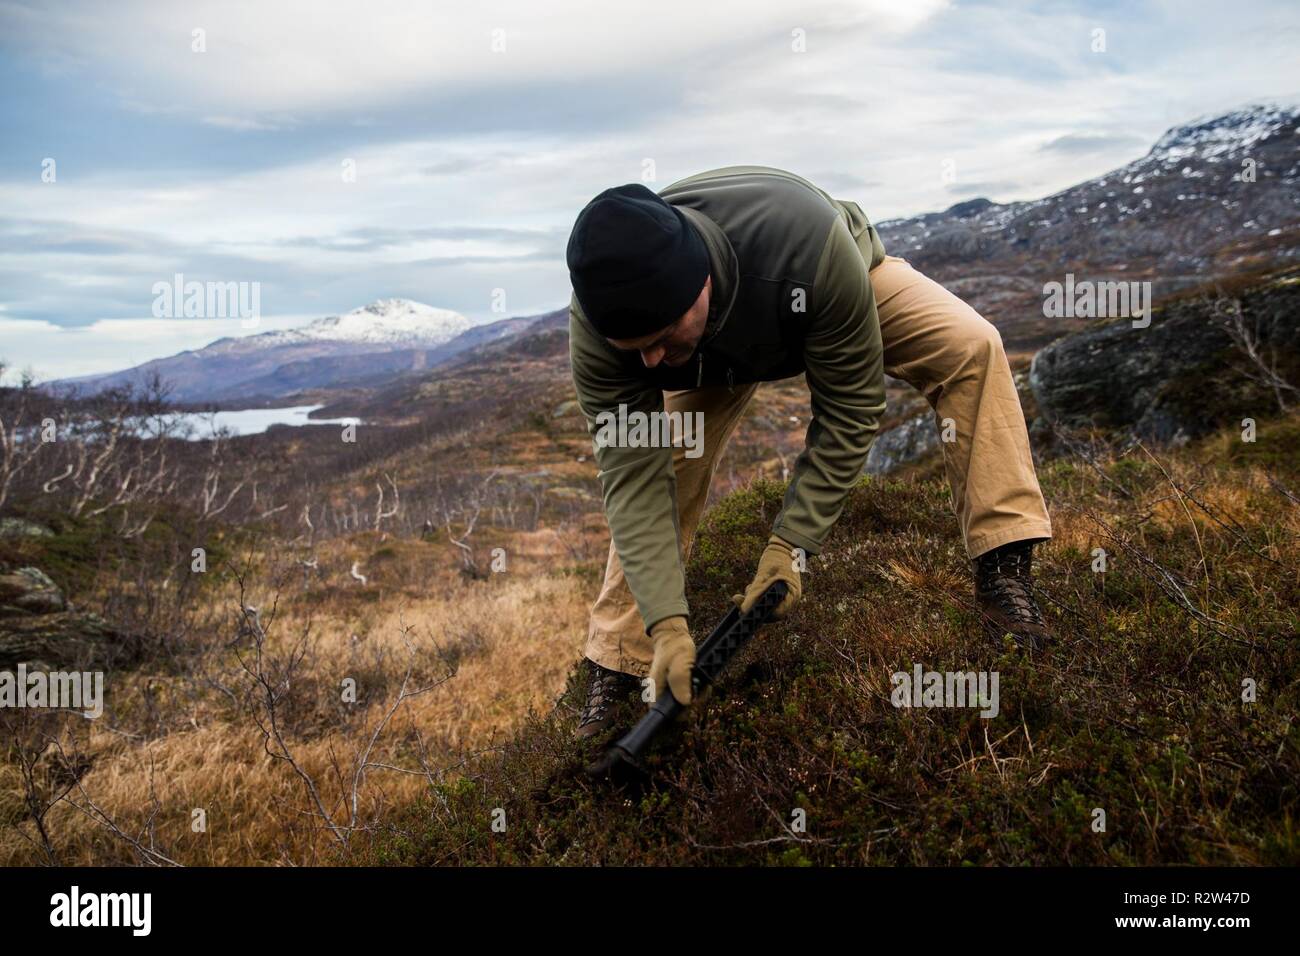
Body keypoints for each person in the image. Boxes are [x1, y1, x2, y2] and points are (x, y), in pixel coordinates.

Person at [565, 166, 1052, 739]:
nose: (649, 363)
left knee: (971, 347)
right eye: (634, 349)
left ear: (697, 283)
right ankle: (615, 660)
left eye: (659, 337)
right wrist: (668, 623)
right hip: (710, 356)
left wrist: (790, 547)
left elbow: (850, 408)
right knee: (669, 458)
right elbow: (633, 480)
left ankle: (1004, 567)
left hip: (814, 290)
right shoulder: (602, 326)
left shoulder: (808, 243)